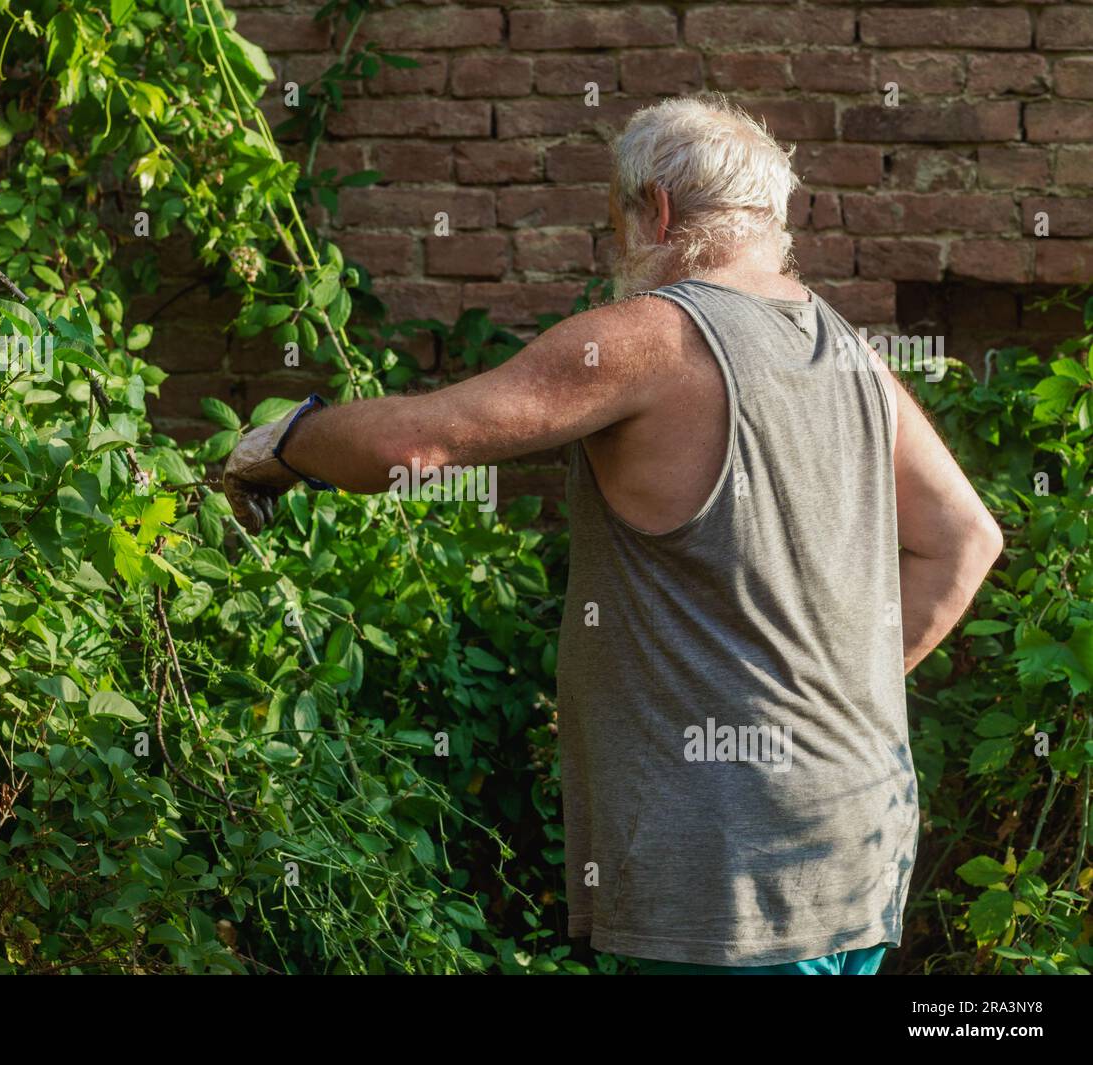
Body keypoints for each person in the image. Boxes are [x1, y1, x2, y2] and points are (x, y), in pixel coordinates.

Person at [221, 94, 1003, 975]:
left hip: (727, 872)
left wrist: (279, 445)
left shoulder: (655, 337)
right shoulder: (851, 356)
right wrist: (824, 698)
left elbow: (412, 447)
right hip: (857, 838)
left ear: (655, 210)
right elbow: (967, 537)